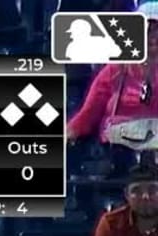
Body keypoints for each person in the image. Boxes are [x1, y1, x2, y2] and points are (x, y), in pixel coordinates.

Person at [66, 3, 158, 152]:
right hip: (119, 157)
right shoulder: (116, 69)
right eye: (148, 30)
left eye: (157, 30)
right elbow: (88, 114)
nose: (153, 37)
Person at [92, 163, 158, 236]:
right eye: (137, 191)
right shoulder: (111, 224)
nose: (145, 196)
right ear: (126, 195)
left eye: (152, 190)